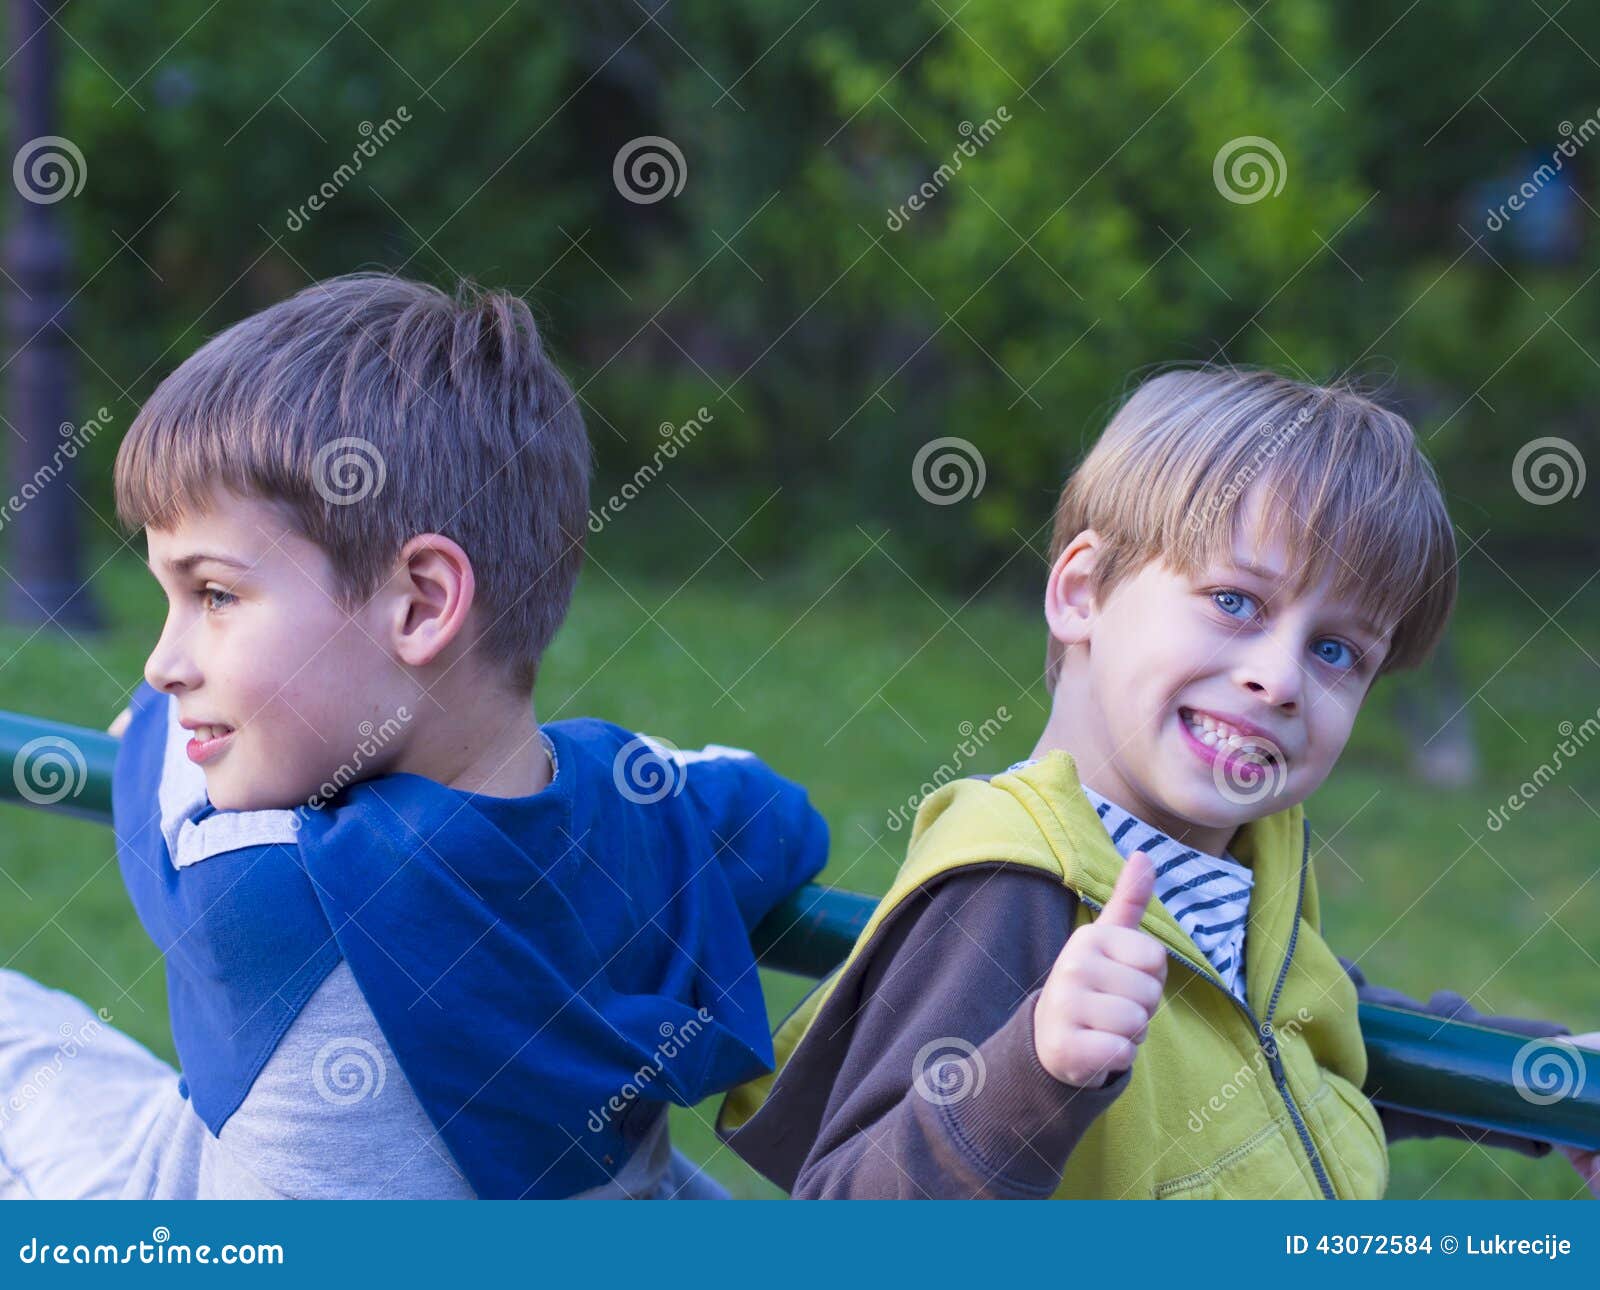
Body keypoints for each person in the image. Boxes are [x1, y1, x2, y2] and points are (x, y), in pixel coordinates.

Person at [0, 273, 827, 1199]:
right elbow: (771, 816)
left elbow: (162, 793)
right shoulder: (645, 816)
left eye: (216, 595)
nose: (163, 663)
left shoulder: (263, 883)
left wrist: (159, 722)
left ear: (423, 603)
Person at [719, 364, 1600, 1199]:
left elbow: (1294, 1040)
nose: (1280, 679)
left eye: (1336, 650)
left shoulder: (1242, 858)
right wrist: (1034, 1073)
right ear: (1082, 592)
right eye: (1235, 601)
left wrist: (1551, 1075)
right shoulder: (1011, 891)